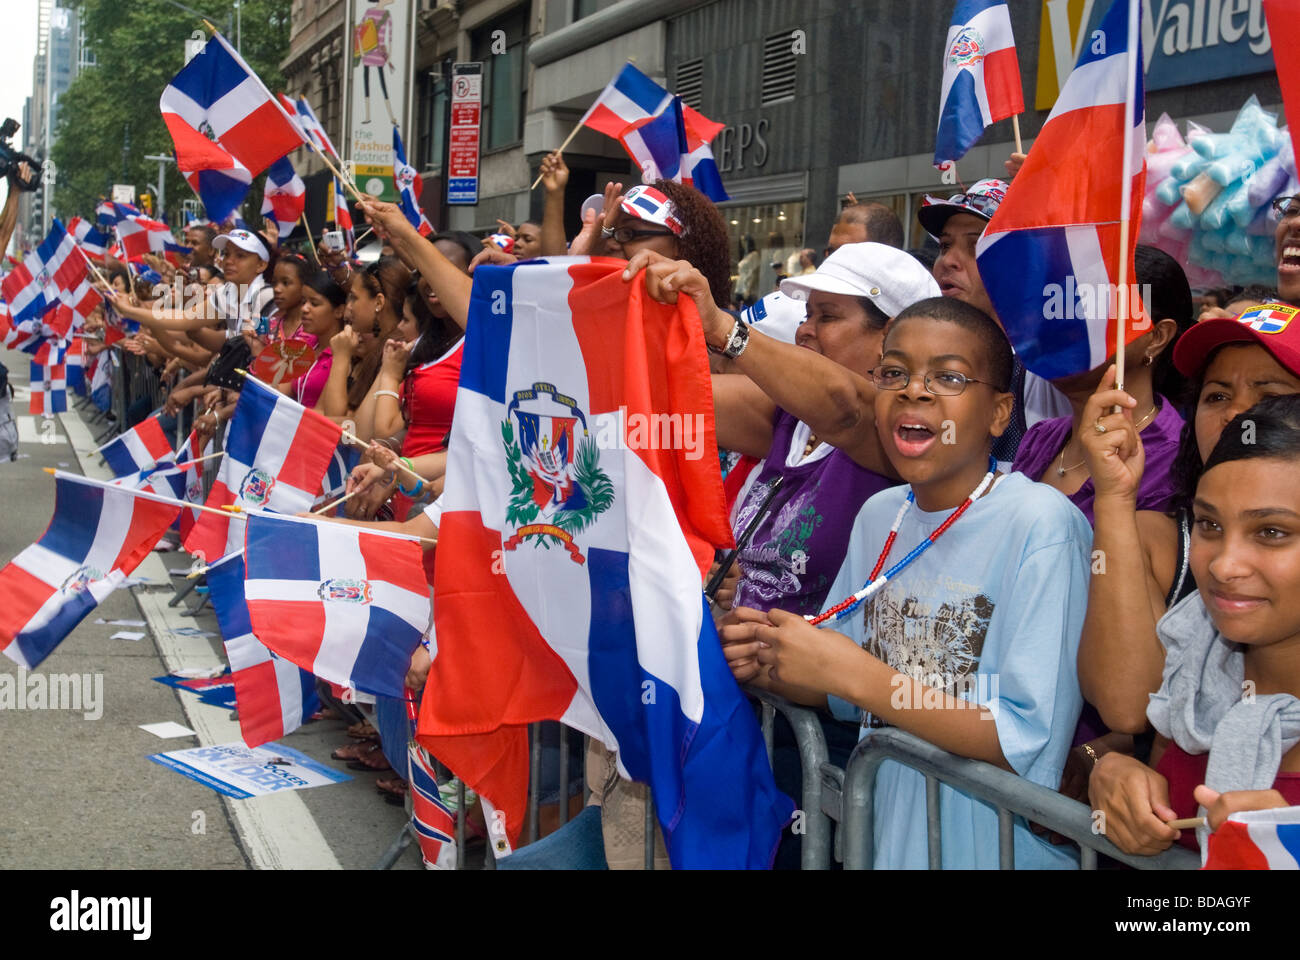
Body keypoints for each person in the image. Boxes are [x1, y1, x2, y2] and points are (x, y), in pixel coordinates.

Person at [722, 296, 1093, 868]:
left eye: (947, 376)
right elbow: (847, 694)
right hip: (884, 838)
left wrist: (853, 674)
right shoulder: (881, 514)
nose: (915, 391)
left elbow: (1025, 740)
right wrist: (769, 654)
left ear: (999, 413)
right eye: (893, 372)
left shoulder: (1041, 524)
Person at [1088, 396, 1300, 859]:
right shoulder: (1197, 667)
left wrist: (1287, 849)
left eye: (1271, 532)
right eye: (1209, 524)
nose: (1224, 565)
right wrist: (1110, 772)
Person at [1078, 303, 1300, 736]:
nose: (1236, 415)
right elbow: (1128, 710)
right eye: (1216, 395)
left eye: (1269, 397)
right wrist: (1113, 497)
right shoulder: (1152, 535)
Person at [1010, 245, 1192, 525]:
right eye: (1058, 308)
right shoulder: (1040, 438)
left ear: (1156, 337)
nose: (1062, 327)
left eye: (1092, 309)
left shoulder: (1177, 463)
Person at [288, 272, 348, 410]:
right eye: (303, 302)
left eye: (314, 304)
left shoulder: (343, 354)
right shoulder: (305, 345)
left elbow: (331, 413)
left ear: (339, 311)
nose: (304, 309)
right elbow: (279, 390)